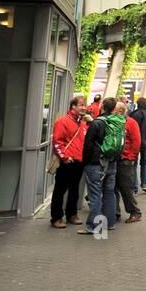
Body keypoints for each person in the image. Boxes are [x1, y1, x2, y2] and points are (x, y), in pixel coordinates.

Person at [78, 96, 124, 234]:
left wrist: (85, 163)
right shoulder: (117, 122)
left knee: (95, 194)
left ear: (103, 106)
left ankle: (94, 226)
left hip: (96, 163)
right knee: (109, 192)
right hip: (111, 162)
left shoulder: (97, 123)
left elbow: (88, 145)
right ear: (114, 108)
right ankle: (110, 223)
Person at [50, 95, 89, 228]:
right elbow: (57, 142)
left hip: (79, 162)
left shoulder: (83, 123)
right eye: (81, 105)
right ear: (73, 106)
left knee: (74, 190)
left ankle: (71, 214)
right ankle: (56, 217)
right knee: (60, 190)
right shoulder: (63, 121)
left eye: (85, 105)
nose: (84, 107)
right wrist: (65, 158)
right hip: (67, 162)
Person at [114, 100, 142, 223]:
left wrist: (131, 157)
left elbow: (136, 142)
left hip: (126, 160)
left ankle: (135, 212)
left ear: (120, 111)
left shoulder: (131, 123)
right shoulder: (115, 122)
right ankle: (115, 211)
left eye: (114, 110)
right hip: (115, 159)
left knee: (125, 187)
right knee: (114, 187)